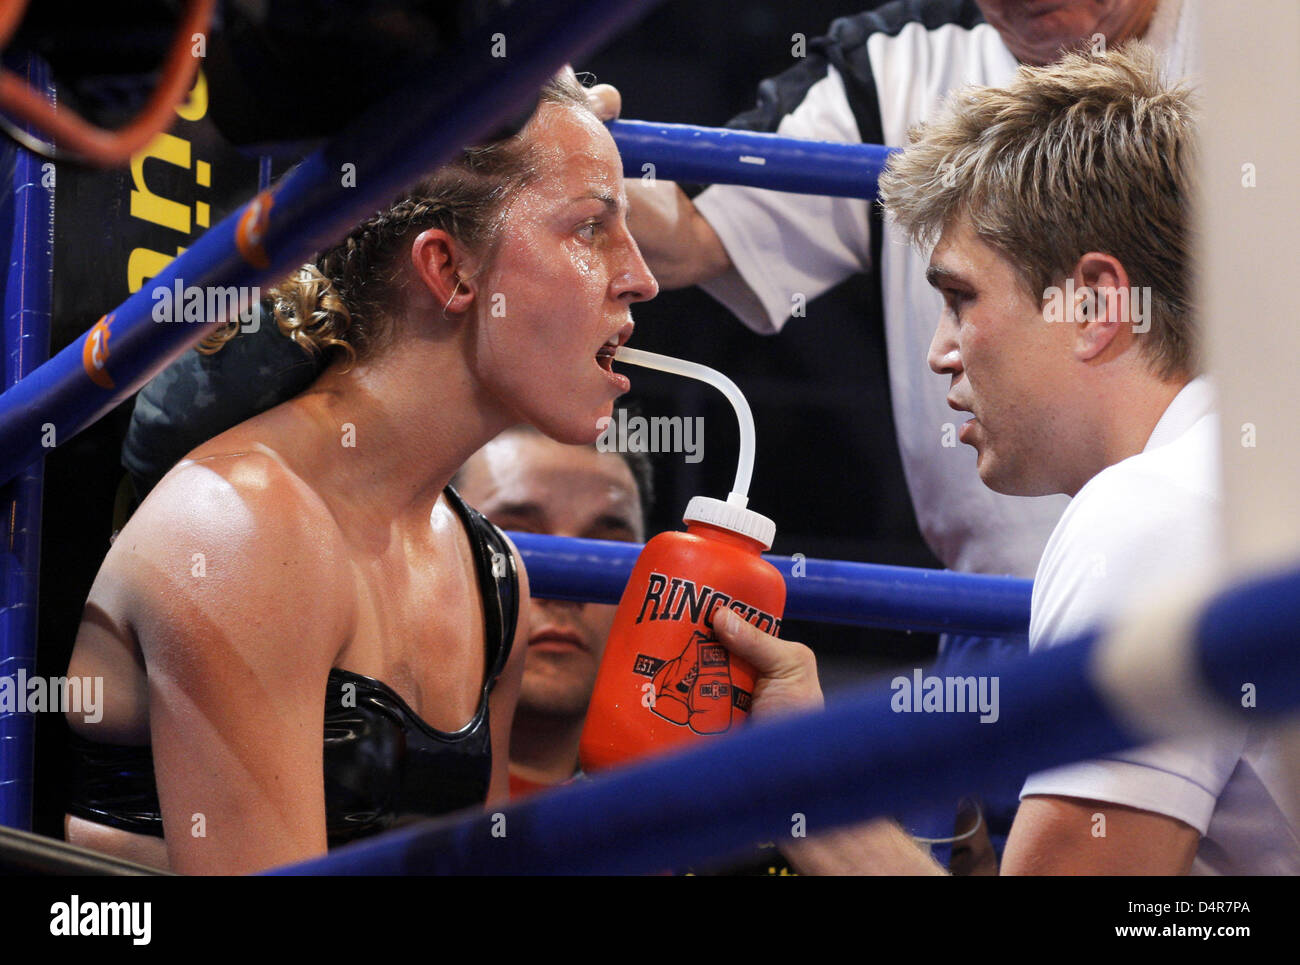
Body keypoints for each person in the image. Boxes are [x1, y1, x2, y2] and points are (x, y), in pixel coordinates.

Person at [712, 45, 1300, 875]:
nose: (939, 353)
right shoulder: (1243, 468)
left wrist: (807, 796)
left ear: (1094, 304)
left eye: (960, 299)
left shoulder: (1148, 513)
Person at [61, 70, 658, 875]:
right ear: (449, 270)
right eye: (592, 228)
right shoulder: (241, 526)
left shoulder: (494, 574)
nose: (641, 277)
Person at [595, 0, 1196, 583]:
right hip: (984, 596)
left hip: (1235, 567)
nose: (939, 354)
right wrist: (554, 137)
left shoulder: (1268, 41)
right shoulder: (897, 60)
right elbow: (696, 228)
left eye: (963, 297)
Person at [451, 423, 652, 797]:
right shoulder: (342, 791)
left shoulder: (698, 820)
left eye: (607, 553)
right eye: (516, 538)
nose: (565, 591)